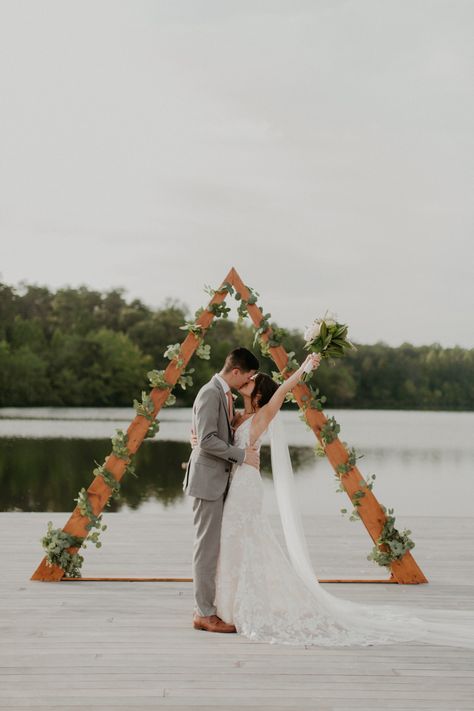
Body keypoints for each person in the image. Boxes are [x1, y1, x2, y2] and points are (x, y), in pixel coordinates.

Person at [191, 353, 474, 649]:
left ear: (259, 392)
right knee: (230, 541)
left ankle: (226, 606)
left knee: (243, 539)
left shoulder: (264, 415)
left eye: (252, 381)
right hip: (232, 484)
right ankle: (220, 606)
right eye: (247, 377)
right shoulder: (236, 412)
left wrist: (304, 367)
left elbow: (285, 388)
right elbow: (214, 436)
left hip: (246, 486)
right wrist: (197, 442)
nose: (247, 382)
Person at [183, 347, 260, 633]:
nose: (247, 382)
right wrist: (242, 456)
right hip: (207, 481)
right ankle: (204, 613)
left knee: (213, 547)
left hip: (217, 480)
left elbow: (214, 432)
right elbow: (206, 440)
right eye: (247, 376)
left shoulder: (224, 394)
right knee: (206, 549)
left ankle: (205, 607)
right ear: (236, 371)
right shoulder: (210, 393)